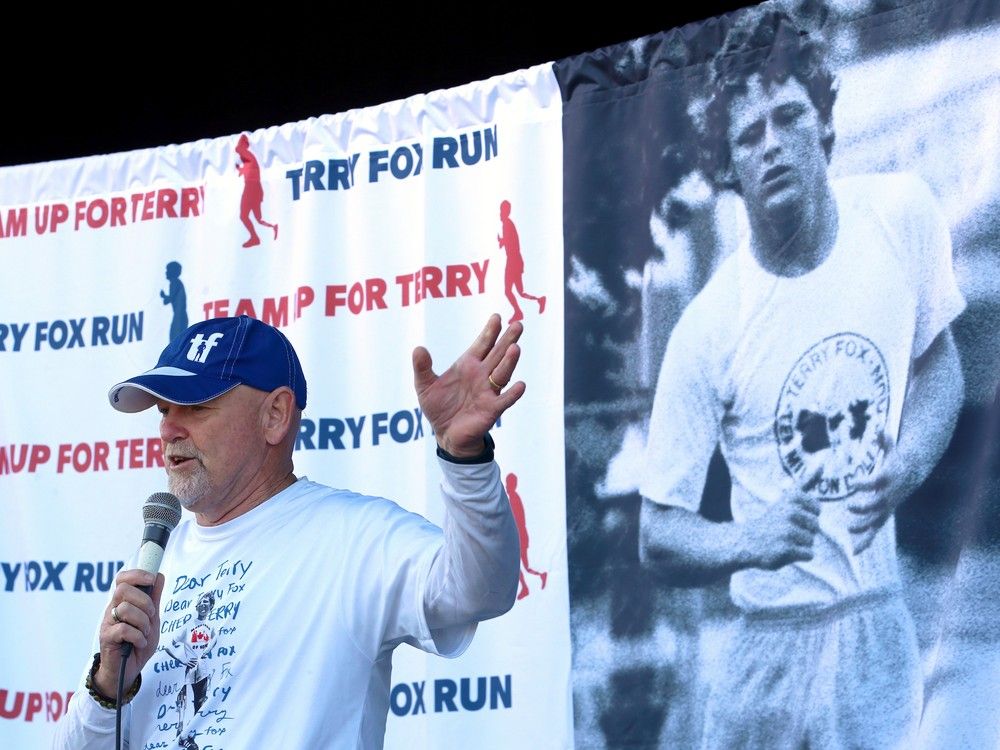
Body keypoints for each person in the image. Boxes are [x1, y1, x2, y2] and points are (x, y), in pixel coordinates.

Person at [638, 5, 966, 749]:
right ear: (728, 169)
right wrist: (745, 541)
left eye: (787, 117)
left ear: (824, 124)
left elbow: (939, 361)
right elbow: (658, 534)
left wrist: (911, 457)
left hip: (877, 620)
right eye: (748, 136)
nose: (772, 146)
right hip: (766, 642)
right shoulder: (709, 326)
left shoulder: (899, 215)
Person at [53, 312, 525, 749]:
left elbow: (476, 591)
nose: (168, 429)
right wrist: (107, 686)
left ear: (275, 415)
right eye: (162, 410)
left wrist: (467, 462)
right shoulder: (151, 565)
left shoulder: (355, 538)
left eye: (194, 406)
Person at [162, 590, 216, 739]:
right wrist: (183, 660)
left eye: (207, 603)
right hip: (190, 670)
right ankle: (181, 735)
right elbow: (169, 645)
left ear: (211, 607)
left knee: (200, 704)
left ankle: (191, 737)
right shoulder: (187, 626)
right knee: (183, 705)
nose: (203, 605)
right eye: (202, 602)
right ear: (197, 605)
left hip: (203, 670)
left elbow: (214, 639)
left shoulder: (211, 627)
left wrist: (206, 651)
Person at [497, 199, 546, 323]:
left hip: (513, 261)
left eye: (502, 211)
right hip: (514, 260)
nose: (500, 213)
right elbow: (510, 242)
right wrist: (502, 241)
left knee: (510, 291)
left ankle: (520, 311)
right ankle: (536, 301)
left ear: (505, 211)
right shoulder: (507, 224)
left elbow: (513, 244)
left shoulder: (508, 224)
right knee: (518, 292)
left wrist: (503, 241)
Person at [235, 133, 279, 248]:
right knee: (257, 219)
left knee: (245, 216)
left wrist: (242, 140)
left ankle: (255, 237)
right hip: (254, 189)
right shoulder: (248, 160)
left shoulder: (249, 156)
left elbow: (238, 148)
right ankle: (271, 227)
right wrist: (239, 169)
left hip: (251, 188)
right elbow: (246, 171)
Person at [159, 260, 188, 343]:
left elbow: (169, 299)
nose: (166, 272)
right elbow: (172, 298)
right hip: (179, 316)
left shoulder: (175, 282)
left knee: (175, 342)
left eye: (167, 270)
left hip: (179, 317)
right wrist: (164, 296)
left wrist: (164, 296)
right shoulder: (176, 282)